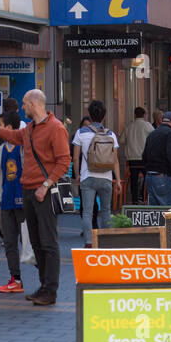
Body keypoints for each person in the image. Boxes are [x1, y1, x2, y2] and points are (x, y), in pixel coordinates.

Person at [0, 89, 70, 306]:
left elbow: (64, 162)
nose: (23, 108)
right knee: (35, 242)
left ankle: (50, 291)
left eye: (25, 104)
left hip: (43, 192)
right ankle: (43, 287)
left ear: (34, 104)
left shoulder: (56, 128)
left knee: (48, 242)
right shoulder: (30, 130)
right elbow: (10, 135)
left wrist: (45, 185)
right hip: (29, 192)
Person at [73, 100, 120, 248]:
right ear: (104, 117)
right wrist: (118, 180)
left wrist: (77, 175)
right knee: (106, 210)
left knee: (87, 212)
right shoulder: (111, 134)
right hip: (106, 177)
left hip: (88, 176)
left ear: (90, 115)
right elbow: (116, 160)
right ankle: (105, 242)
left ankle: (89, 243)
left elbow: (75, 157)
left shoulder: (81, 133)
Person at [0, 111, 27, 293]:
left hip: (23, 202)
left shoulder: (23, 148)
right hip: (6, 202)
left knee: (29, 242)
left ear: (11, 128)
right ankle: (16, 279)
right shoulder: (0, 150)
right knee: (9, 242)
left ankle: (45, 276)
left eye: (2, 125)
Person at [142, 112, 171, 206]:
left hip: (149, 177)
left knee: (154, 212)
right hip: (163, 176)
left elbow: (144, 156)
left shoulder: (152, 134)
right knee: (170, 209)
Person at [123, 106, 154, 201]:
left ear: (135, 115)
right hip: (144, 157)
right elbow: (155, 137)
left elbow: (121, 140)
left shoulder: (129, 126)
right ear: (144, 115)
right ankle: (144, 197)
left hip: (132, 158)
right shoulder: (147, 125)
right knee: (147, 178)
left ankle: (134, 200)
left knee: (134, 180)